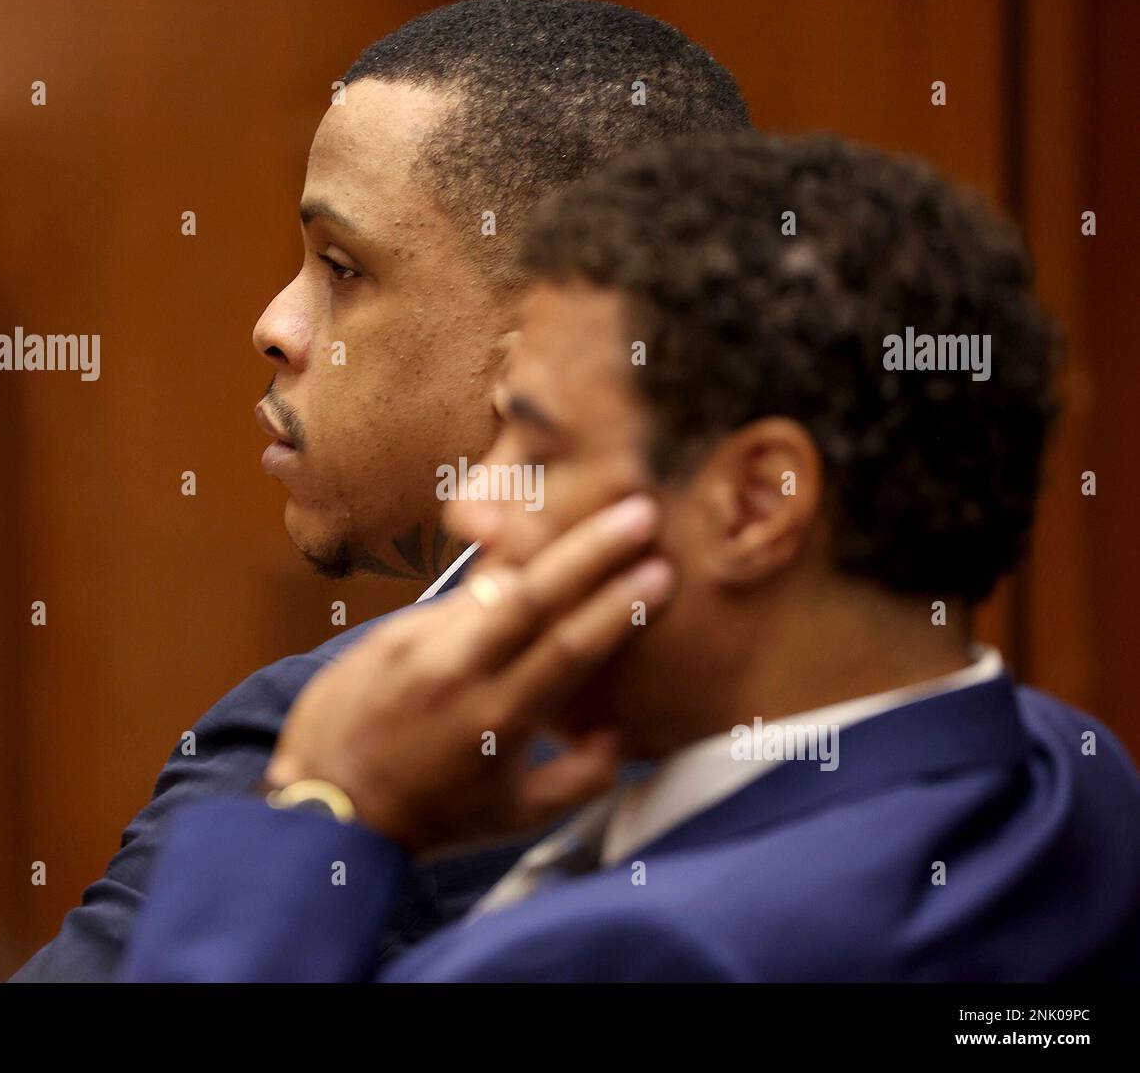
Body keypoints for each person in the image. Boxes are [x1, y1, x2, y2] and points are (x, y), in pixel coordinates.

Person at [121, 131, 1140, 982]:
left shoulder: (637, 954)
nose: (475, 505)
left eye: (538, 444)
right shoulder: (1071, 776)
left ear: (754, 503)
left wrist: (326, 807)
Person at [12, 0, 750, 981]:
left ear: (541, 356)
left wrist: (324, 798)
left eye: (342, 268)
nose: (276, 324)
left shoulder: (319, 737)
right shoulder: (832, 688)